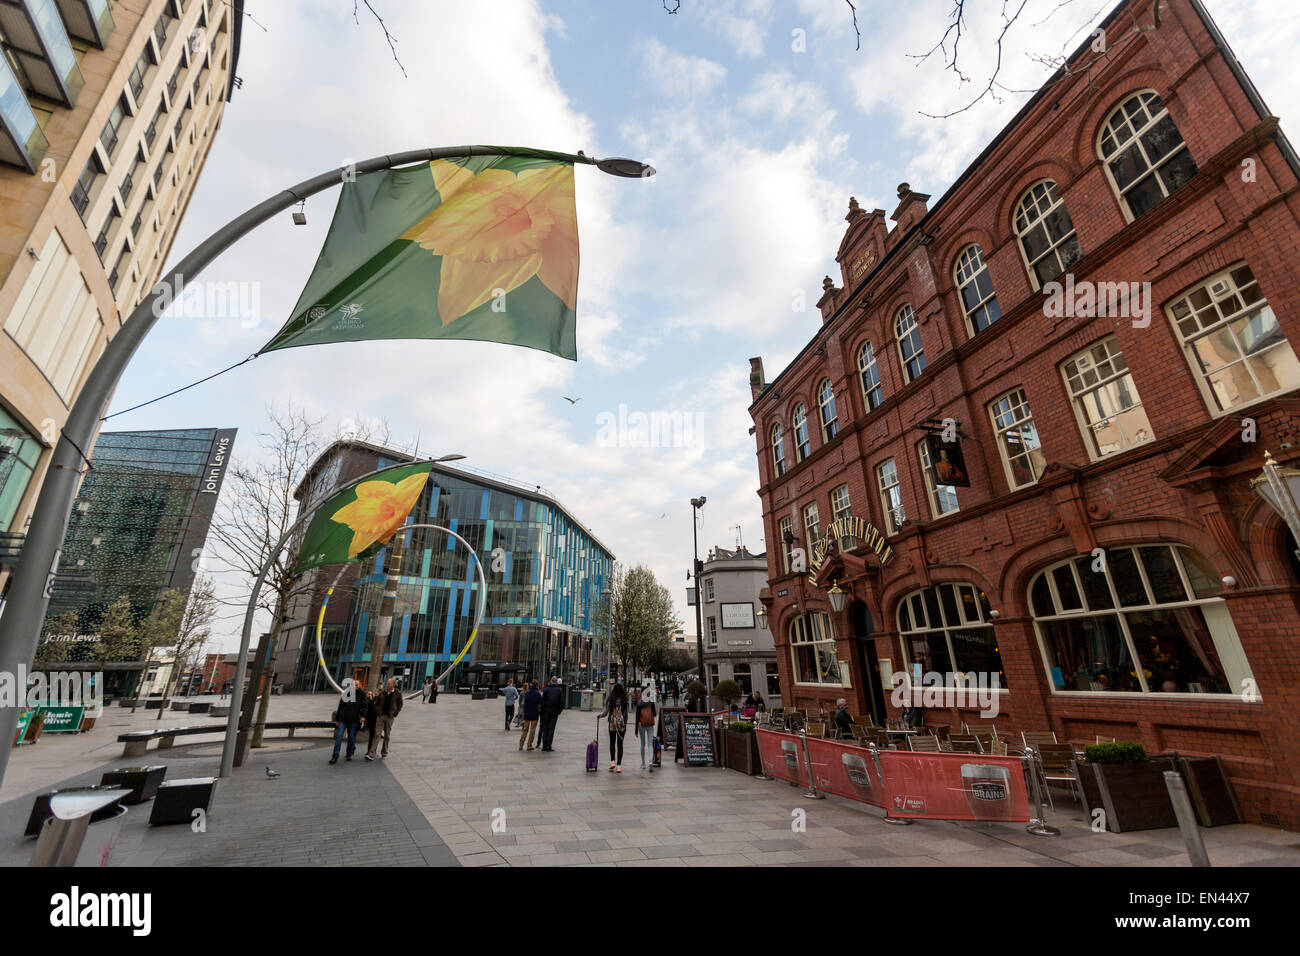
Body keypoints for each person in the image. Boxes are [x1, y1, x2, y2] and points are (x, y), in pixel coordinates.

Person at [329, 678, 366, 764]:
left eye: (357, 685)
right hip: (343, 719)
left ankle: (349, 753)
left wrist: (363, 716)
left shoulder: (361, 694)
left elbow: (364, 706)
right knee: (339, 737)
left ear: (359, 686)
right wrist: (337, 719)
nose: (355, 686)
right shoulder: (346, 693)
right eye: (353, 684)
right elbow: (340, 706)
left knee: (351, 738)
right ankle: (335, 755)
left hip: (353, 720)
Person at [365, 677, 403, 760]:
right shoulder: (383, 692)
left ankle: (384, 752)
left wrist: (395, 713)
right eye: (387, 683)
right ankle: (371, 754)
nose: (387, 685)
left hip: (390, 717)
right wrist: (377, 711)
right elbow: (376, 702)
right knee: (377, 734)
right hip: (381, 716)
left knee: (387, 735)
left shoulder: (397, 693)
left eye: (389, 683)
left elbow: (400, 704)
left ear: (393, 685)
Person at [599, 682, 629, 772]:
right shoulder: (624, 699)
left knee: (612, 743)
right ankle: (619, 766)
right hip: (621, 725)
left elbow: (606, 711)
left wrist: (600, 715)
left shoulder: (611, 699)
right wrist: (625, 723)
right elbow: (626, 713)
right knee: (620, 744)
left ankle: (612, 762)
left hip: (612, 723)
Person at [633, 684, 658, 771]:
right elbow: (655, 714)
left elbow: (637, 717)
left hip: (641, 725)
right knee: (650, 743)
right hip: (650, 724)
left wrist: (636, 730)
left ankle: (643, 763)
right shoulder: (651, 701)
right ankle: (650, 760)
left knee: (642, 744)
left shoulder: (639, 703)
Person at [538, 676, 565, 752]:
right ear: (556, 682)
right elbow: (562, 703)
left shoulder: (546, 689)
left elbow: (542, 702)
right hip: (554, 712)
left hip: (546, 711)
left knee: (545, 728)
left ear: (550, 681)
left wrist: (542, 711)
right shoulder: (559, 690)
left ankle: (544, 746)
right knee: (551, 729)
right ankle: (548, 746)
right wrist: (558, 711)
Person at [519, 680, 542, 751]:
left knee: (525, 729)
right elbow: (540, 703)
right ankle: (529, 745)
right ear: (537, 685)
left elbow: (524, 703)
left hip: (527, 713)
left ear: (531, 684)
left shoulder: (527, 693)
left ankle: (521, 745)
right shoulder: (538, 693)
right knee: (532, 730)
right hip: (534, 713)